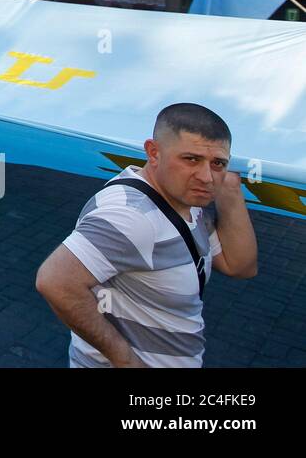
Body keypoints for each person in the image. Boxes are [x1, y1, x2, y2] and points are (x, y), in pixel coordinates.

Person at [35, 103, 257, 368]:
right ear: (154, 152)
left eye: (218, 163)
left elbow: (239, 266)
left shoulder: (187, 202)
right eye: (191, 159)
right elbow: (55, 282)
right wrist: (125, 360)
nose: (207, 177)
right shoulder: (132, 217)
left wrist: (230, 190)